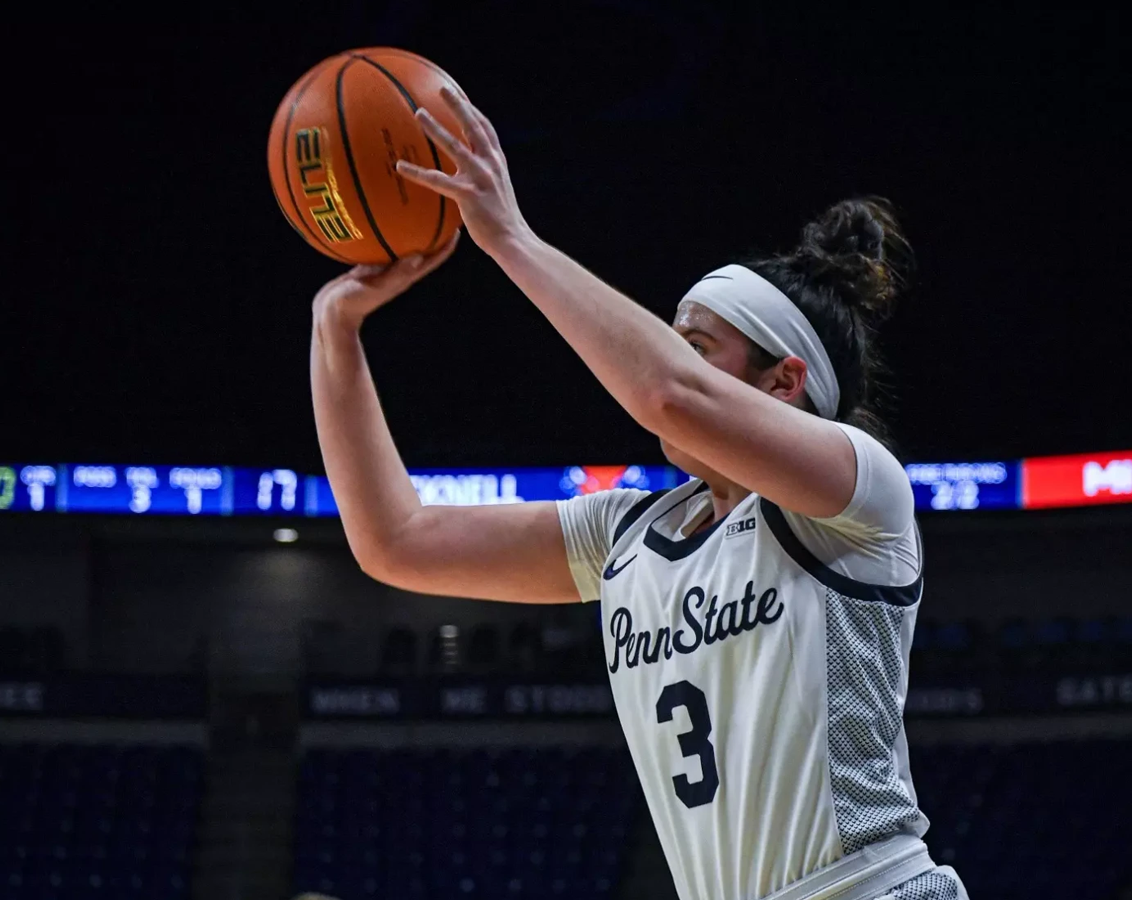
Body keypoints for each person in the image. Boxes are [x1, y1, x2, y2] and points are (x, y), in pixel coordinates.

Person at [308, 87, 967, 900]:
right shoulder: (629, 534)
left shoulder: (856, 494)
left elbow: (667, 394)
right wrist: (334, 331)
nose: (670, 362)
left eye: (696, 349)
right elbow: (394, 540)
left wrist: (510, 238)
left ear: (786, 380)